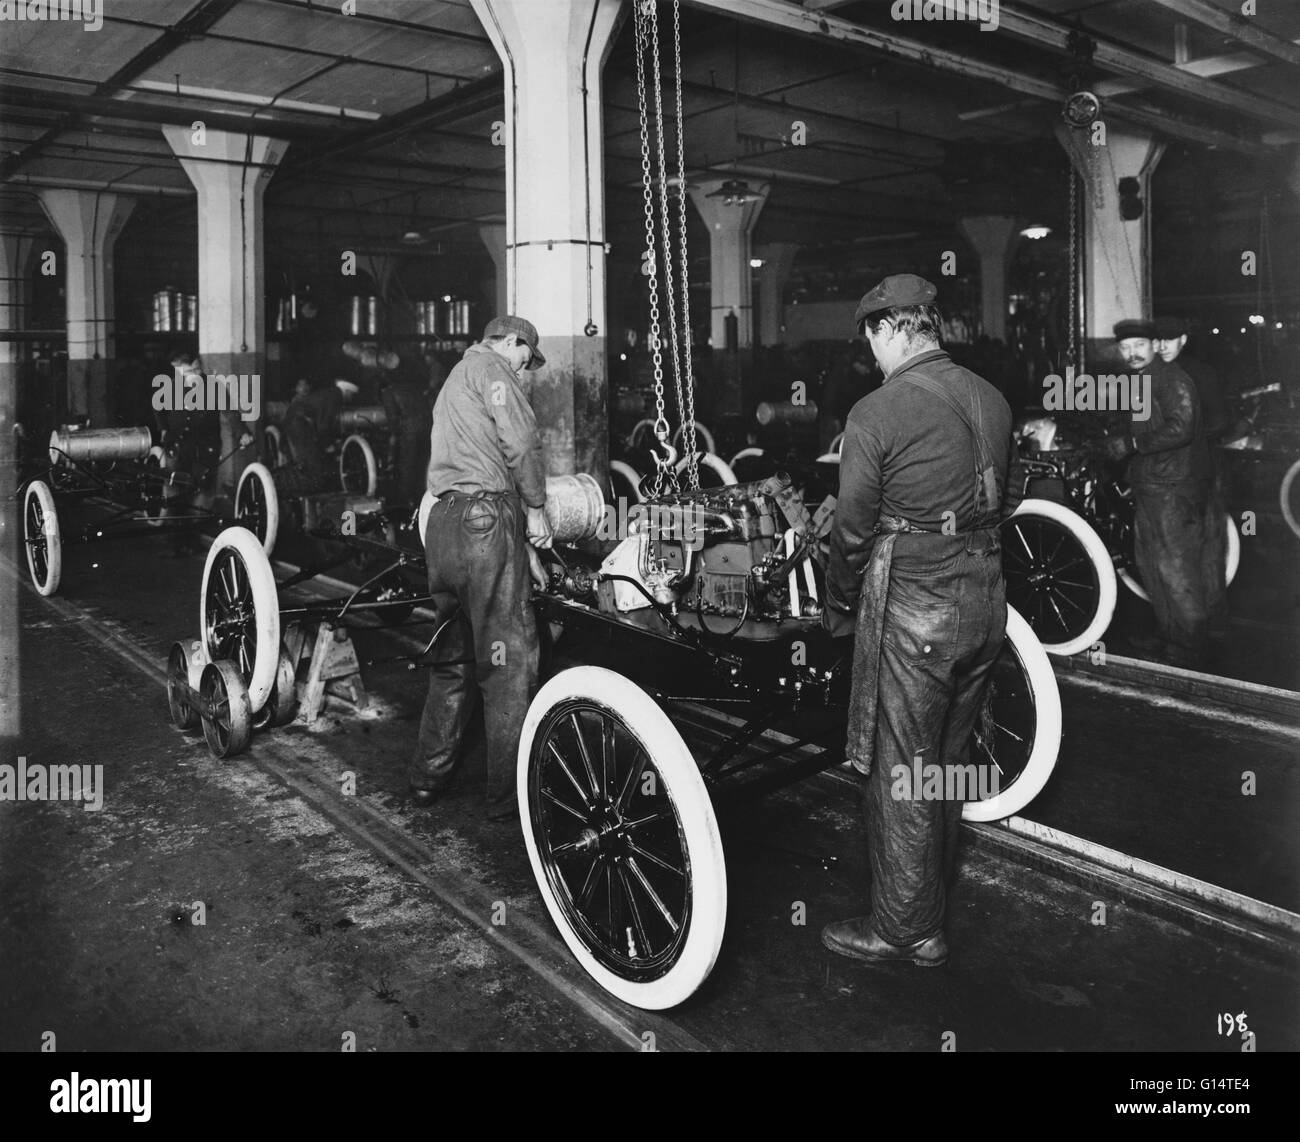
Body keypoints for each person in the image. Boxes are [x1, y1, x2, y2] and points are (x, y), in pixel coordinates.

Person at [820, 274, 1022, 968]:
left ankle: (905, 930)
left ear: (890, 330)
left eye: (871, 340)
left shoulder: (876, 412)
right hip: (986, 602)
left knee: (906, 766)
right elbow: (1007, 496)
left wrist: (840, 604)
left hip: (918, 608)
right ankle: (928, 908)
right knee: (948, 761)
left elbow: (850, 531)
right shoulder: (991, 398)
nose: (871, 356)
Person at [410, 315, 553, 819]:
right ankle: (510, 798)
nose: (524, 370)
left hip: (444, 526)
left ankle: (428, 777)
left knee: (453, 660)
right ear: (510, 342)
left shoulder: (454, 377)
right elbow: (521, 442)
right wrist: (535, 509)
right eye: (525, 358)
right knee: (508, 663)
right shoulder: (494, 371)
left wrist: (520, 547)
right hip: (484, 524)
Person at [1104, 319, 1215, 668]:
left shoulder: (1171, 378)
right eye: (1125, 347)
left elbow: (1182, 427)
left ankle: (1189, 648)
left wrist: (1134, 444)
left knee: (1176, 567)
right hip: (1152, 486)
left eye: (1139, 345)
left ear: (1154, 346)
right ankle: (1170, 635)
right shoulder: (1143, 381)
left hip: (1172, 488)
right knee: (1152, 566)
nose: (1132, 353)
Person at [1153, 316, 1230, 628]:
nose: (1162, 346)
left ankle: (1191, 634)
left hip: (1195, 472)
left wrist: (1182, 437)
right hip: (1201, 470)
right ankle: (1214, 624)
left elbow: (1219, 421)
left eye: (1169, 340)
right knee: (1206, 549)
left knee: (1185, 554)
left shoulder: (1191, 373)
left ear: (1183, 339)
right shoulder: (1173, 373)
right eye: (1157, 341)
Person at [378, 357, 433, 508]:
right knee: (422, 464)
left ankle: (406, 501)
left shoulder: (388, 392)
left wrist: (393, 436)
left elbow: (393, 419)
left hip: (409, 431)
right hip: (427, 427)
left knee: (406, 465)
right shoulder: (414, 388)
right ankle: (421, 497)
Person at [279, 377, 342, 496]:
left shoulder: (307, 401)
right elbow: (323, 426)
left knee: (307, 466)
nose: (304, 388)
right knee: (311, 469)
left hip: (300, 434)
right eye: (300, 385)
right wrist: (328, 445)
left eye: (306, 385)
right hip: (300, 433)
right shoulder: (329, 398)